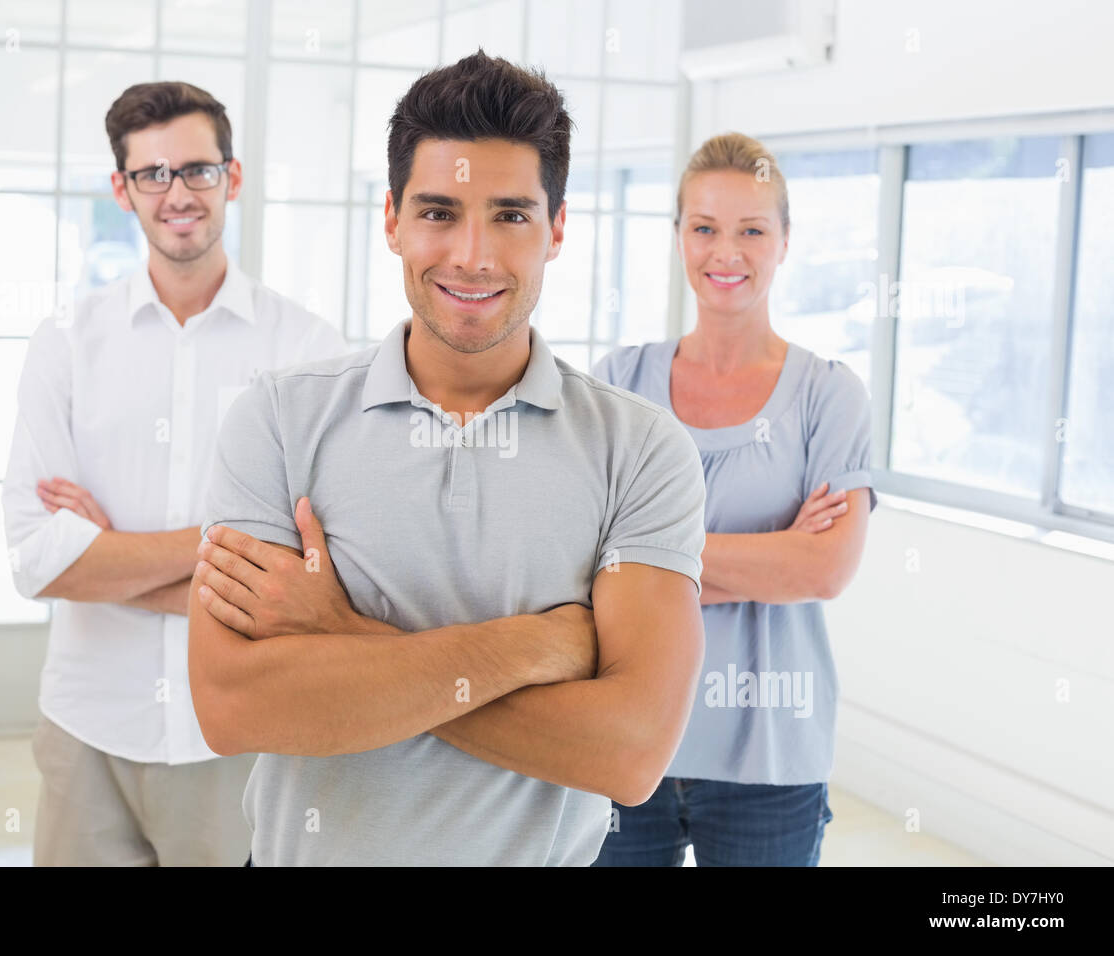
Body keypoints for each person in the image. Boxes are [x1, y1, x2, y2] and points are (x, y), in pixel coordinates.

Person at [185, 51, 709, 867]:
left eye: (510, 215)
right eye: (438, 212)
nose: (472, 255)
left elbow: (630, 754)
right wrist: (536, 648)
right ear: (390, 218)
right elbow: (231, 705)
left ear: (558, 229)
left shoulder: (640, 450)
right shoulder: (278, 418)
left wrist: (343, 636)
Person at [1, 81, 348, 866]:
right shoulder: (66, 343)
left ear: (234, 177)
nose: (178, 193)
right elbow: (34, 556)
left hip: (234, 733)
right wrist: (224, 560)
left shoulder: (308, 351)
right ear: (121, 190)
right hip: (87, 726)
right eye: (153, 174)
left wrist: (107, 554)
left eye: (197, 169)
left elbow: (315, 569)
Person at [589, 131, 875, 867]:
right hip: (626, 737)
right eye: (705, 228)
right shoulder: (619, 381)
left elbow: (825, 572)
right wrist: (770, 557)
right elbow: (581, 562)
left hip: (772, 758)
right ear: (680, 237)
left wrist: (652, 567)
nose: (727, 252)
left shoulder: (829, 394)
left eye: (752, 229)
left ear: (783, 241)